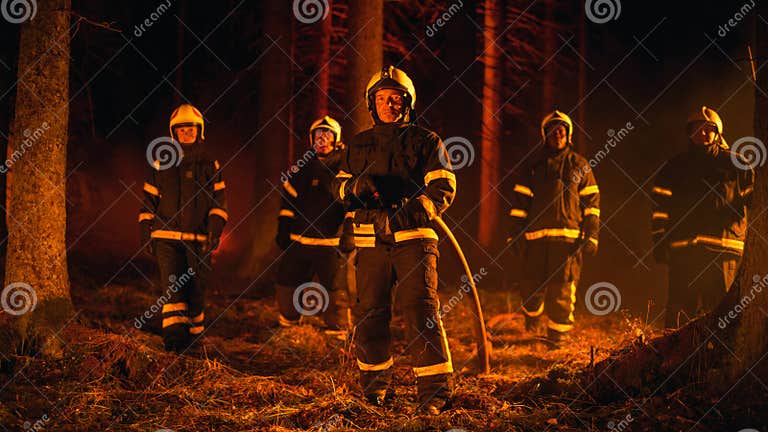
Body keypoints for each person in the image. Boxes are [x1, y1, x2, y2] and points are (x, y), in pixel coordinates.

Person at [329, 65, 456, 414]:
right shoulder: (357, 144)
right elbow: (337, 186)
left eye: (396, 98)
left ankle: (434, 394)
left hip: (414, 238)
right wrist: (354, 187)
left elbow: (443, 187)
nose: (390, 104)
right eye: (382, 99)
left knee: (420, 310)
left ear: (408, 103)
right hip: (370, 241)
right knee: (370, 313)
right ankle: (375, 390)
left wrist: (407, 214)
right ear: (372, 105)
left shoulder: (427, 141)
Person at [651, 106, 753, 328]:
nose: (703, 133)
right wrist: (659, 238)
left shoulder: (737, 163)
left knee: (721, 311)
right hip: (684, 251)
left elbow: (754, 203)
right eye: (697, 128)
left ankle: (719, 359)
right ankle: (677, 360)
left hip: (723, 250)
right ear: (690, 132)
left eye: (709, 129)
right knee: (679, 313)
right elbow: (660, 207)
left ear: (718, 133)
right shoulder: (674, 167)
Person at [139, 103, 228, 353]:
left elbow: (219, 202)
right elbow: (149, 199)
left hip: (198, 239)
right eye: (181, 130)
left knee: (196, 291)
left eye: (190, 129)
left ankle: (195, 341)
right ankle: (175, 344)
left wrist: (215, 228)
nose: (186, 133)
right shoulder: (160, 162)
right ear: (173, 133)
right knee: (173, 290)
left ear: (199, 131)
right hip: (166, 239)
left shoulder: (211, 164)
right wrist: (145, 228)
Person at [507, 110, 600, 346]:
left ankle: (557, 340)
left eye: (561, 130)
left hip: (568, 241)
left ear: (568, 135)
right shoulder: (532, 165)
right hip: (535, 239)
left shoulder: (580, 165)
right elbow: (520, 204)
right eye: (552, 130)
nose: (557, 133)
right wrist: (514, 234)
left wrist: (592, 235)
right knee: (530, 288)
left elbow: (592, 204)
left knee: (562, 291)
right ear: (545, 135)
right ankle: (533, 320)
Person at [275, 115, 350, 337]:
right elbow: (288, 202)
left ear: (336, 139)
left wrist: (349, 233)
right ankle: (289, 327)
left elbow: (352, 206)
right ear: (312, 139)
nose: (323, 139)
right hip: (300, 240)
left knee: (334, 288)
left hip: (331, 242)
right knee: (287, 280)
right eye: (318, 135)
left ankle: (337, 332)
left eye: (327, 135)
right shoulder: (301, 168)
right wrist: (283, 228)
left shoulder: (345, 168)